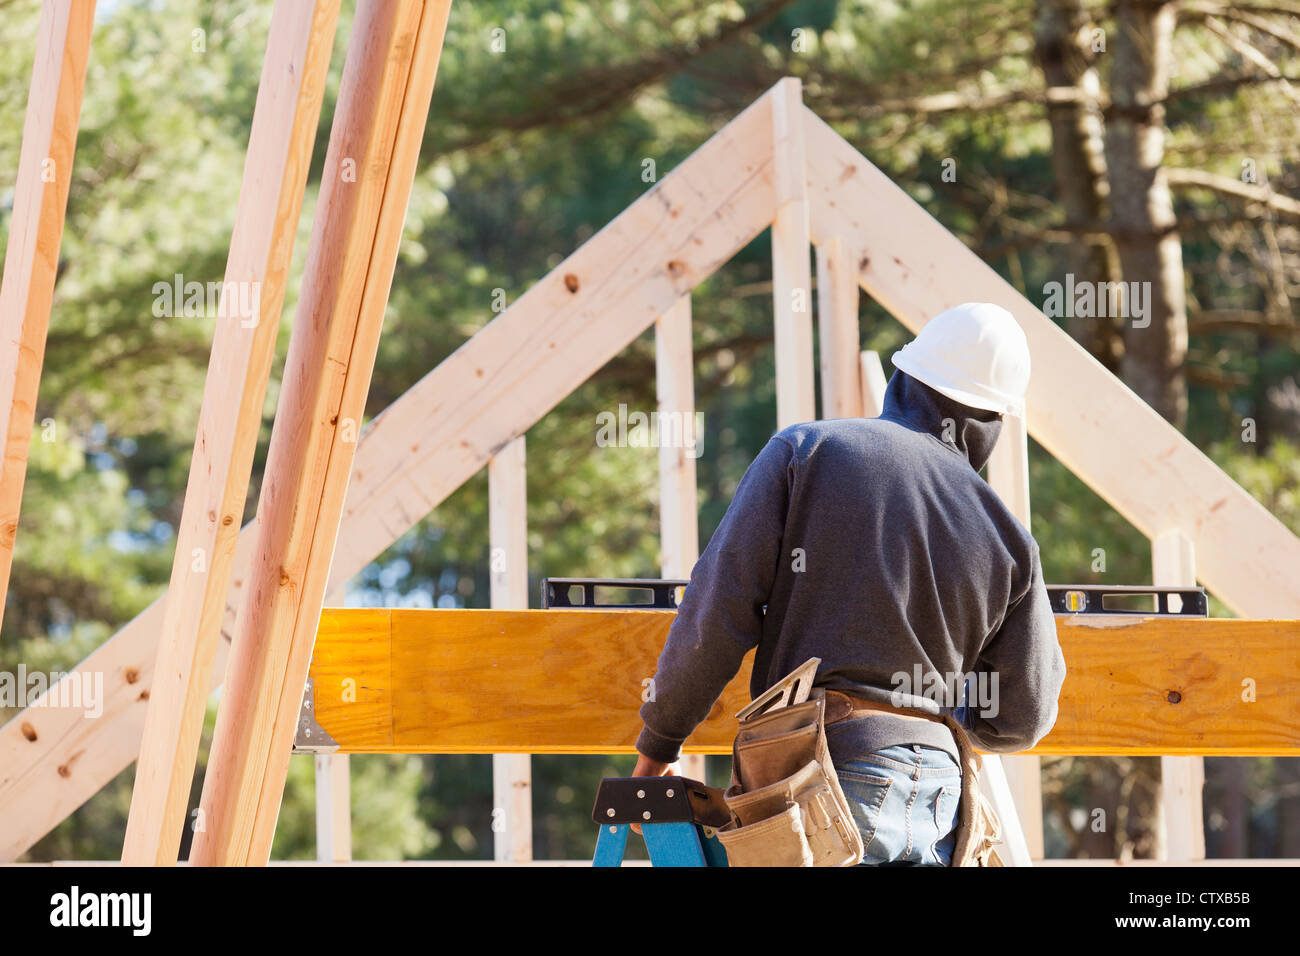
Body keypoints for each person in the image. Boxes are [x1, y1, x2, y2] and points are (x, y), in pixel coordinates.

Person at [631, 301, 1067, 866]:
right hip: (942, 797)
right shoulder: (1007, 536)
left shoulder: (809, 453)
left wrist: (659, 744)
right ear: (993, 425)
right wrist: (933, 714)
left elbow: (719, 609)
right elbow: (1023, 715)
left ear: (904, 380)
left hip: (822, 777)